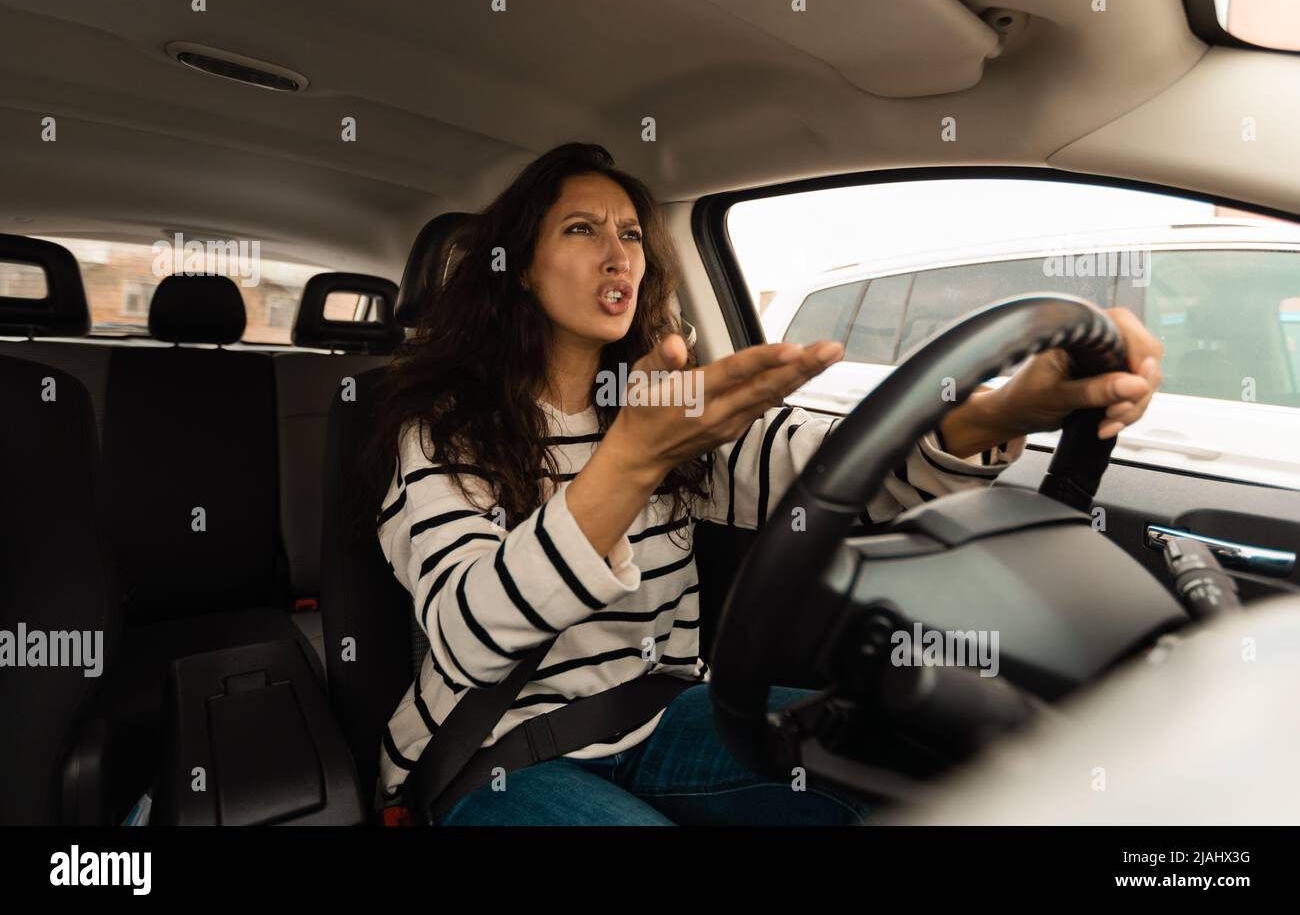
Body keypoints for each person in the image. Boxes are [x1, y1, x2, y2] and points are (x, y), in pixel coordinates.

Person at [360, 142, 1164, 825]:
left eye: (632, 235)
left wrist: (1003, 410)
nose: (619, 255)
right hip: (500, 754)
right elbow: (469, 633)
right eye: (581, 230)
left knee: (925, 773)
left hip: (661, 715)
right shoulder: (441, 430)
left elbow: (838, 470)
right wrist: (629, 461)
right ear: (522, 273)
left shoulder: (667, 402)